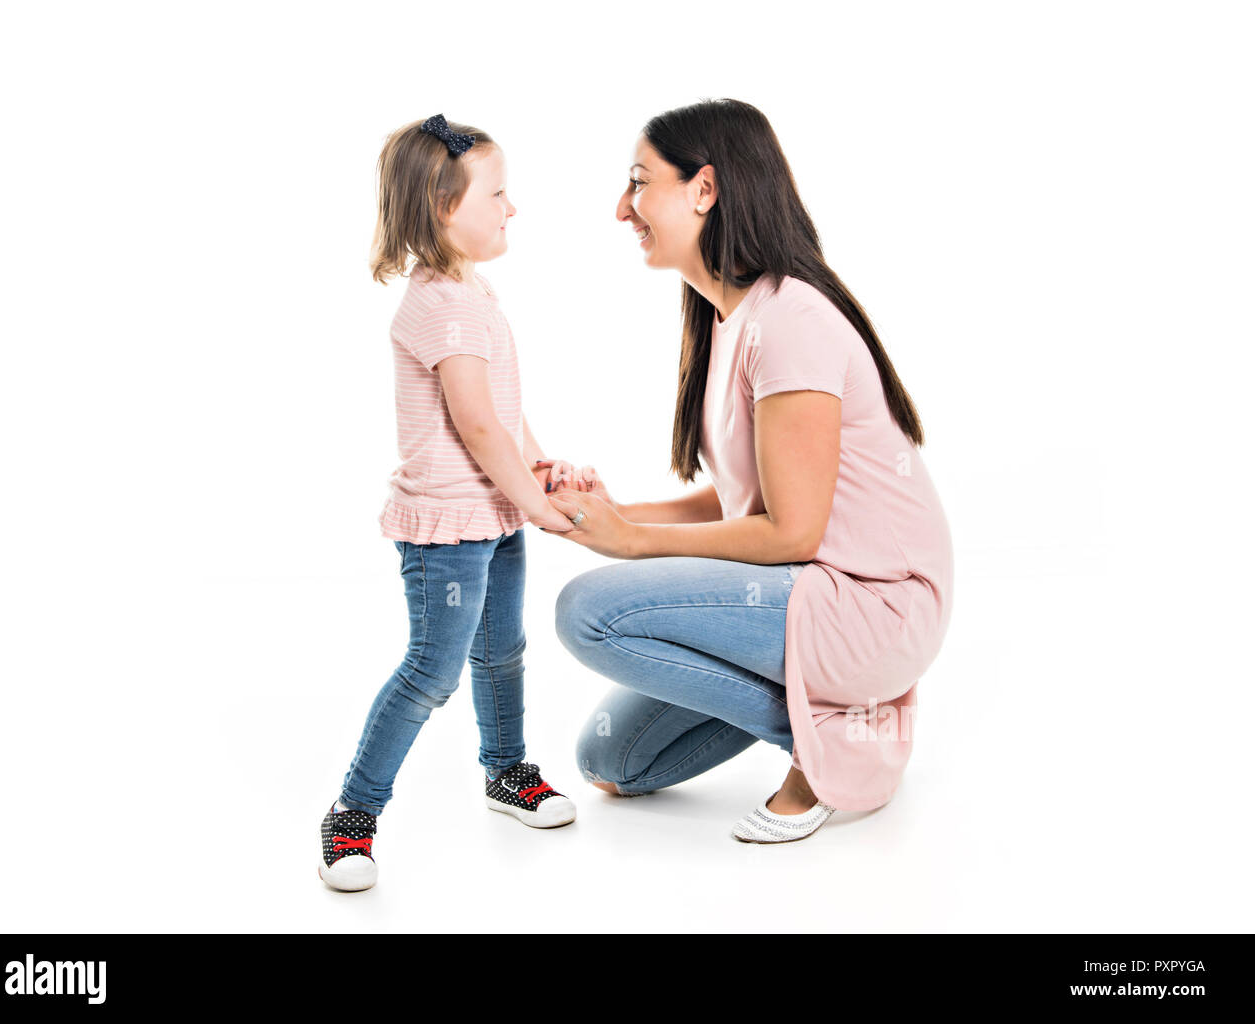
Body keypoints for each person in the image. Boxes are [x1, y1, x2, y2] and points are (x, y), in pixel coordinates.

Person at [546, 99, 954, 843]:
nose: (621, 208)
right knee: (611, 759)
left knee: (588, 612)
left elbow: (792, 531)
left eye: (639, 183)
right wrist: (616, 514)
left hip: (872, 605)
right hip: (803, 592)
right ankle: (836, 723)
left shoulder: (789, 319)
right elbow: (744, 500)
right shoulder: (733, 319)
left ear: (704, 190)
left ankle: (840, 746)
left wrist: (630, 545)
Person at [318, 115, 587, 891]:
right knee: (432, 670)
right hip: (450, 531)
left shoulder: (470, 289)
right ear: (443, 205)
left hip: (491, 514)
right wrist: (535, 500)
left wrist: (537, 463)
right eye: (498, 194)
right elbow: (472, 424)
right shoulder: (442, 305)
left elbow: (500, 408)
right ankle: (353, 815)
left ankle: (506, 771)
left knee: (502, 650)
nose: (513, 208)